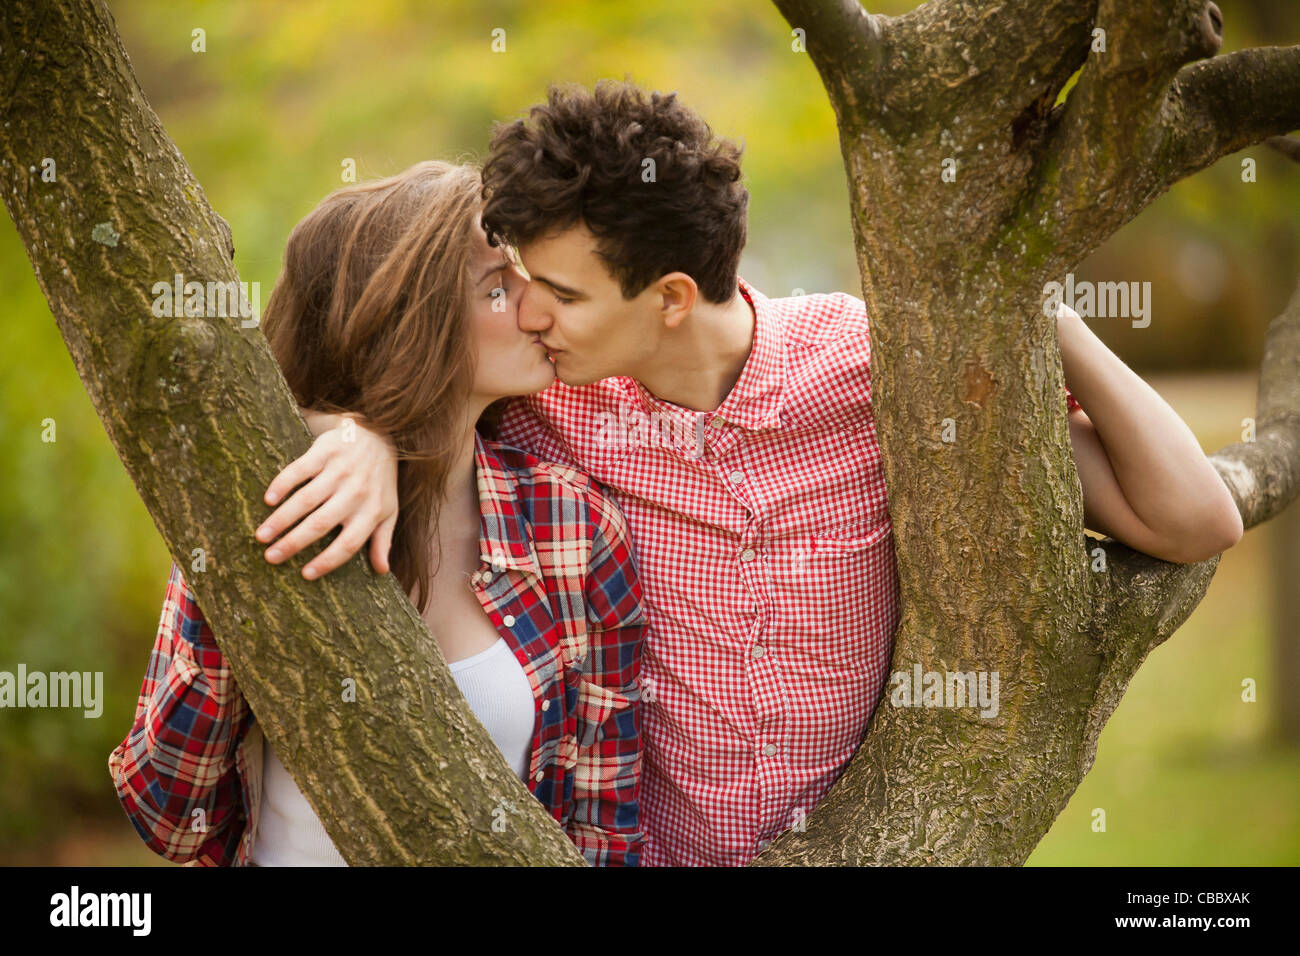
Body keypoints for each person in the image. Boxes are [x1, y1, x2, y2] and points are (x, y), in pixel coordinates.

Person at [256, 81, 1244, 866]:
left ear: (672, 296)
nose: (526, 314)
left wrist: (1029, 308)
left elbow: (1194, 520)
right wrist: (363, 436)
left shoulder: (876, 370)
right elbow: (403, 376)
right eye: (516, 284)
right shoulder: (544, 401)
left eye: (556, 292)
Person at [109, 160, 648, 867]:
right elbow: (171, 817)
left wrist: (369, 436)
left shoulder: (573, 523)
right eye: (496, 286)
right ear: (409, 330)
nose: (535, 303)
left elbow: (605, 834)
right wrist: (240, 580)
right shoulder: (266, 498)